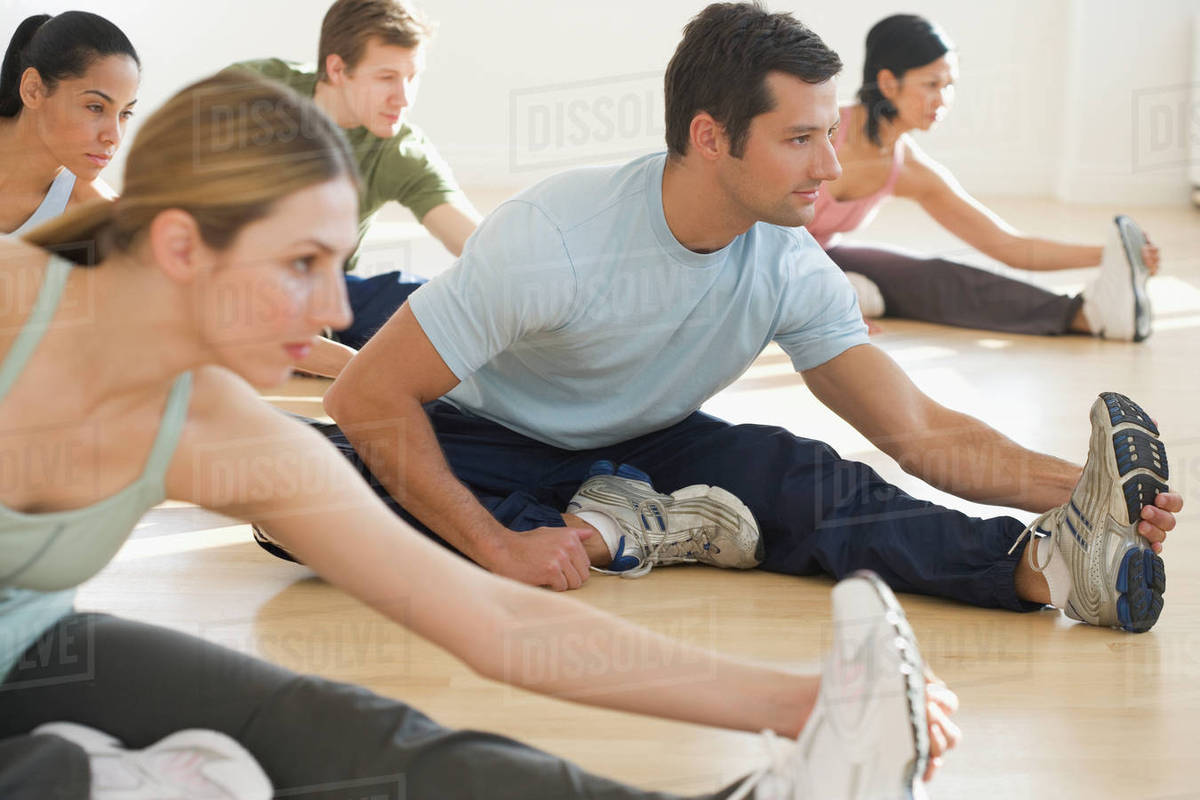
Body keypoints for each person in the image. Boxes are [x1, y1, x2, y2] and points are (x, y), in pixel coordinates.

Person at [0, 70, 959, 800]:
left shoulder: (220, 428)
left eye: (336, 265)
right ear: (179, 245)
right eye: (300, 264)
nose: (332, 308)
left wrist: (802, 704)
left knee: (339, 726)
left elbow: (495, 621)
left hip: (31, 649)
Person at [300, 3, 1180, 635]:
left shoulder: (790, 263)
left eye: (829, 133)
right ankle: (609, 524)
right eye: (800, 138)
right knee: (310, 496)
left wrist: (1082, 489)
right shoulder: (554, 238)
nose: (829, 165)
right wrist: (494, 547)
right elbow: (367, 397)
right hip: (481, 433)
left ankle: (1050, 566)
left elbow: (917, 431)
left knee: (808, 480)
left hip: (650, 443)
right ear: (711, 136)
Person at [811, 14, 1160, 341]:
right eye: (931, 84)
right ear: (888, 82)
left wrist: (1113, 254)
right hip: (779, 261)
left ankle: (1088, 316)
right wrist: (825, 303)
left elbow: (1007, 245)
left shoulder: (910, 170)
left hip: (823, 255)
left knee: (935, 274)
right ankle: (829, 293)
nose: (943, 99)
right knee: (830, 284)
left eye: (950, 85)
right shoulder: (817, 128)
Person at [225, 0, 482, 378]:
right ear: (337, 69)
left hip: (323, 300)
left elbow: (477, 244)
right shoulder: (250, 92)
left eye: (413, 77)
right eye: (386, 78)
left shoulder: (398, 149)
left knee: (431, 303)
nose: (404, 98)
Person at [0, 12, 138, 238]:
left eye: (125, 113)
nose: (114, 137)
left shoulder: (97, 218)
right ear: (33, 90)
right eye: (95, 107)